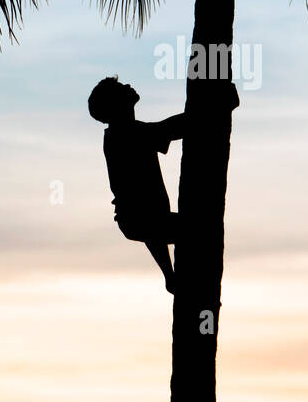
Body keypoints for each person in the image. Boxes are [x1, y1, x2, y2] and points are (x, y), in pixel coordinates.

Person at [88, 75, 239, 292]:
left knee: (173, 227)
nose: (129, 85)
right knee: (200, 230)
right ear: (116, 104)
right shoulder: (125, 135)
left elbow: (171, 128)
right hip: (137, 219)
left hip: (139, 220)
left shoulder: (127, 132)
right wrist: (220, 109)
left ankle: (172, 278)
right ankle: (181, 281)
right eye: (121, 87)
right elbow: (174, 128)